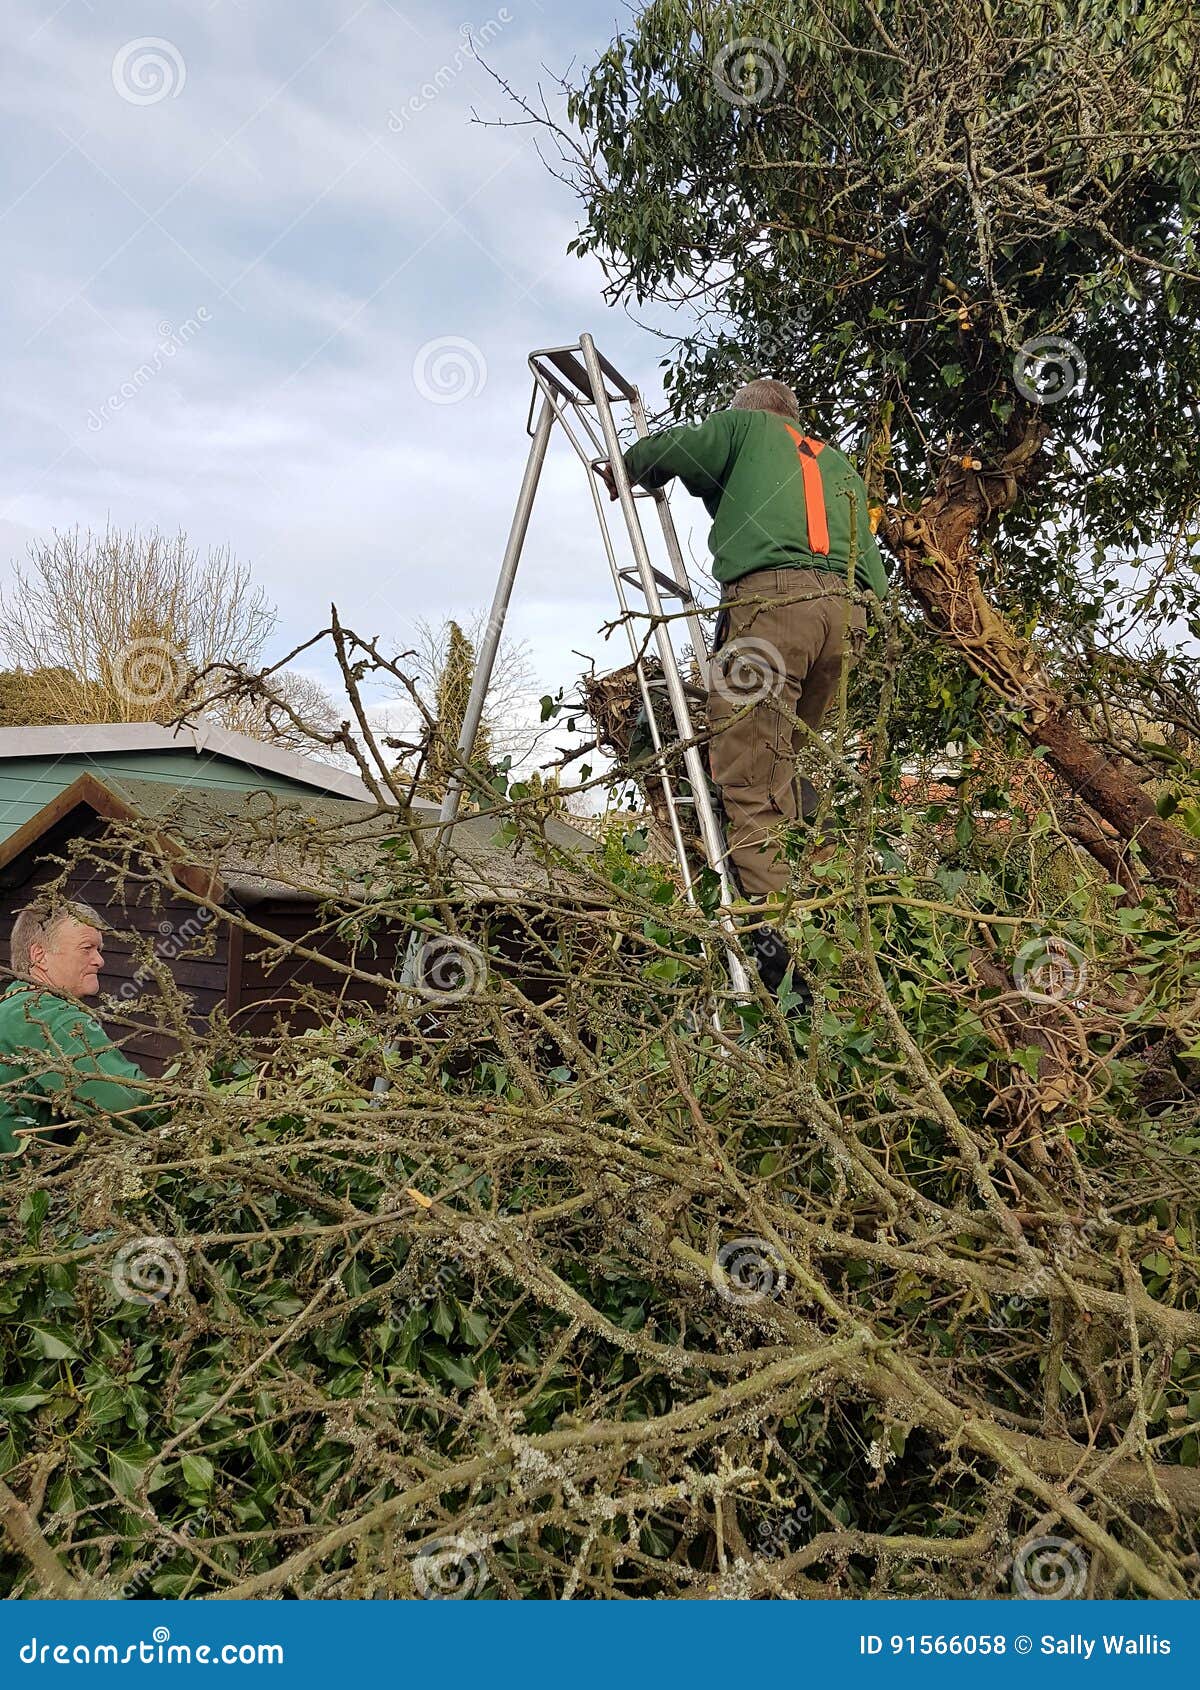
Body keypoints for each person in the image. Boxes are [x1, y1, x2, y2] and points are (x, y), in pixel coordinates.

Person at [598, 377, 889, 991]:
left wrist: (629, 464)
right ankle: (802, 879)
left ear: (750, 413)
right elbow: (877, 576)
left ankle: (779, 950)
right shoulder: (836, 463)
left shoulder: (744, 428)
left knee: (749, 777)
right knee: (787, 758)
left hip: (771, 613)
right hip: (848, 620)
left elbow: (678, 448)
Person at [0, 900, 158, 1157]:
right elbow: (127, 1103)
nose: (100, 960)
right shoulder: (50, 1016)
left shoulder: (10, 1006)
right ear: (39, 955)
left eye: (99, 949)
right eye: (87, 948)